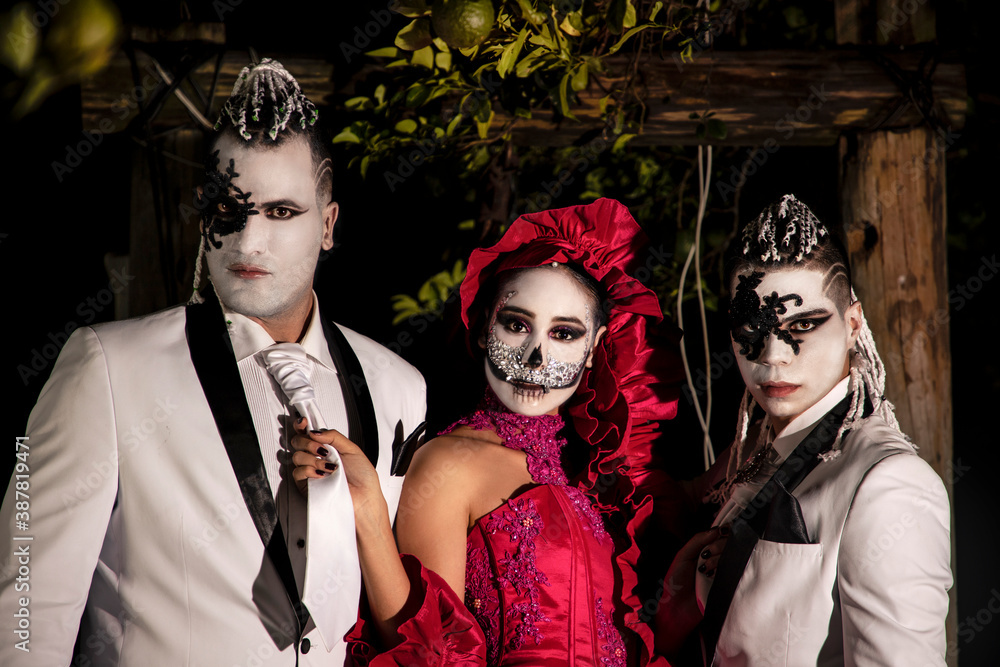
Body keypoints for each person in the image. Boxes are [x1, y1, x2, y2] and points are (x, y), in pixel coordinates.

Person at [0, 58, 426, 665]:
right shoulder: (106, 367)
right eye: (230, 210)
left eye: (281, 212)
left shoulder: (398, 388)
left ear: (328, 225)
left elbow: (406, 623)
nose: (250, 242)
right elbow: (25, 609)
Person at [291, 198, 686, 665]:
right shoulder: (449, 462)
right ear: (482, 328)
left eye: (564, 334)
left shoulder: (598, 468)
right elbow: (432, 649)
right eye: (517, 325)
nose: (535, 359)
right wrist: (369, 511)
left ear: (596, 347)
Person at [657, 195, 952, 665]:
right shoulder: (754, 447)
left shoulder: (891, 484)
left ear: (853, 322)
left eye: (804, 324)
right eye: (749, 329)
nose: (773, 356)